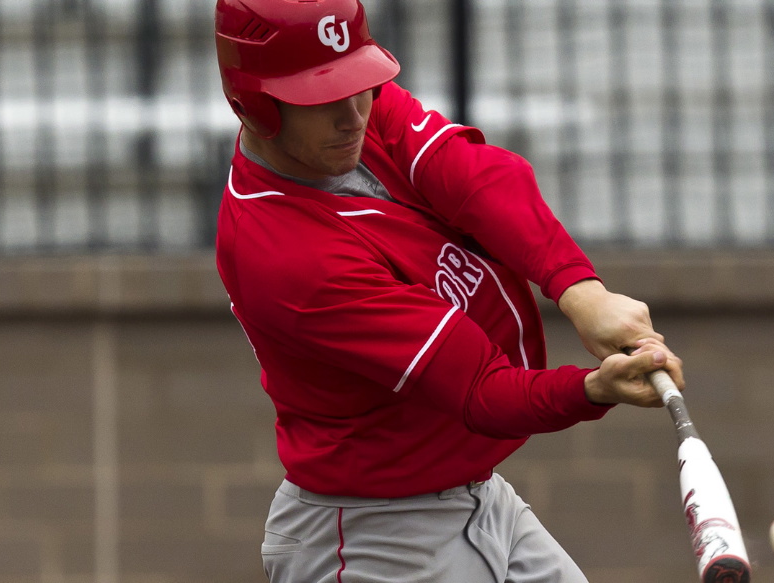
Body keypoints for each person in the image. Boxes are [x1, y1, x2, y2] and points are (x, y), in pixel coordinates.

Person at [212, 1, 685, 581]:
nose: (353, 112)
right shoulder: (285, 254)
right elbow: (481, 391)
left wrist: (581, 292)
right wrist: (591, 389)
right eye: (322, 98)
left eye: (358, 83)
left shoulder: (360, 110)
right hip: (374, 538)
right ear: (254, 105)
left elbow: (478, 179)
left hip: (473, 498)